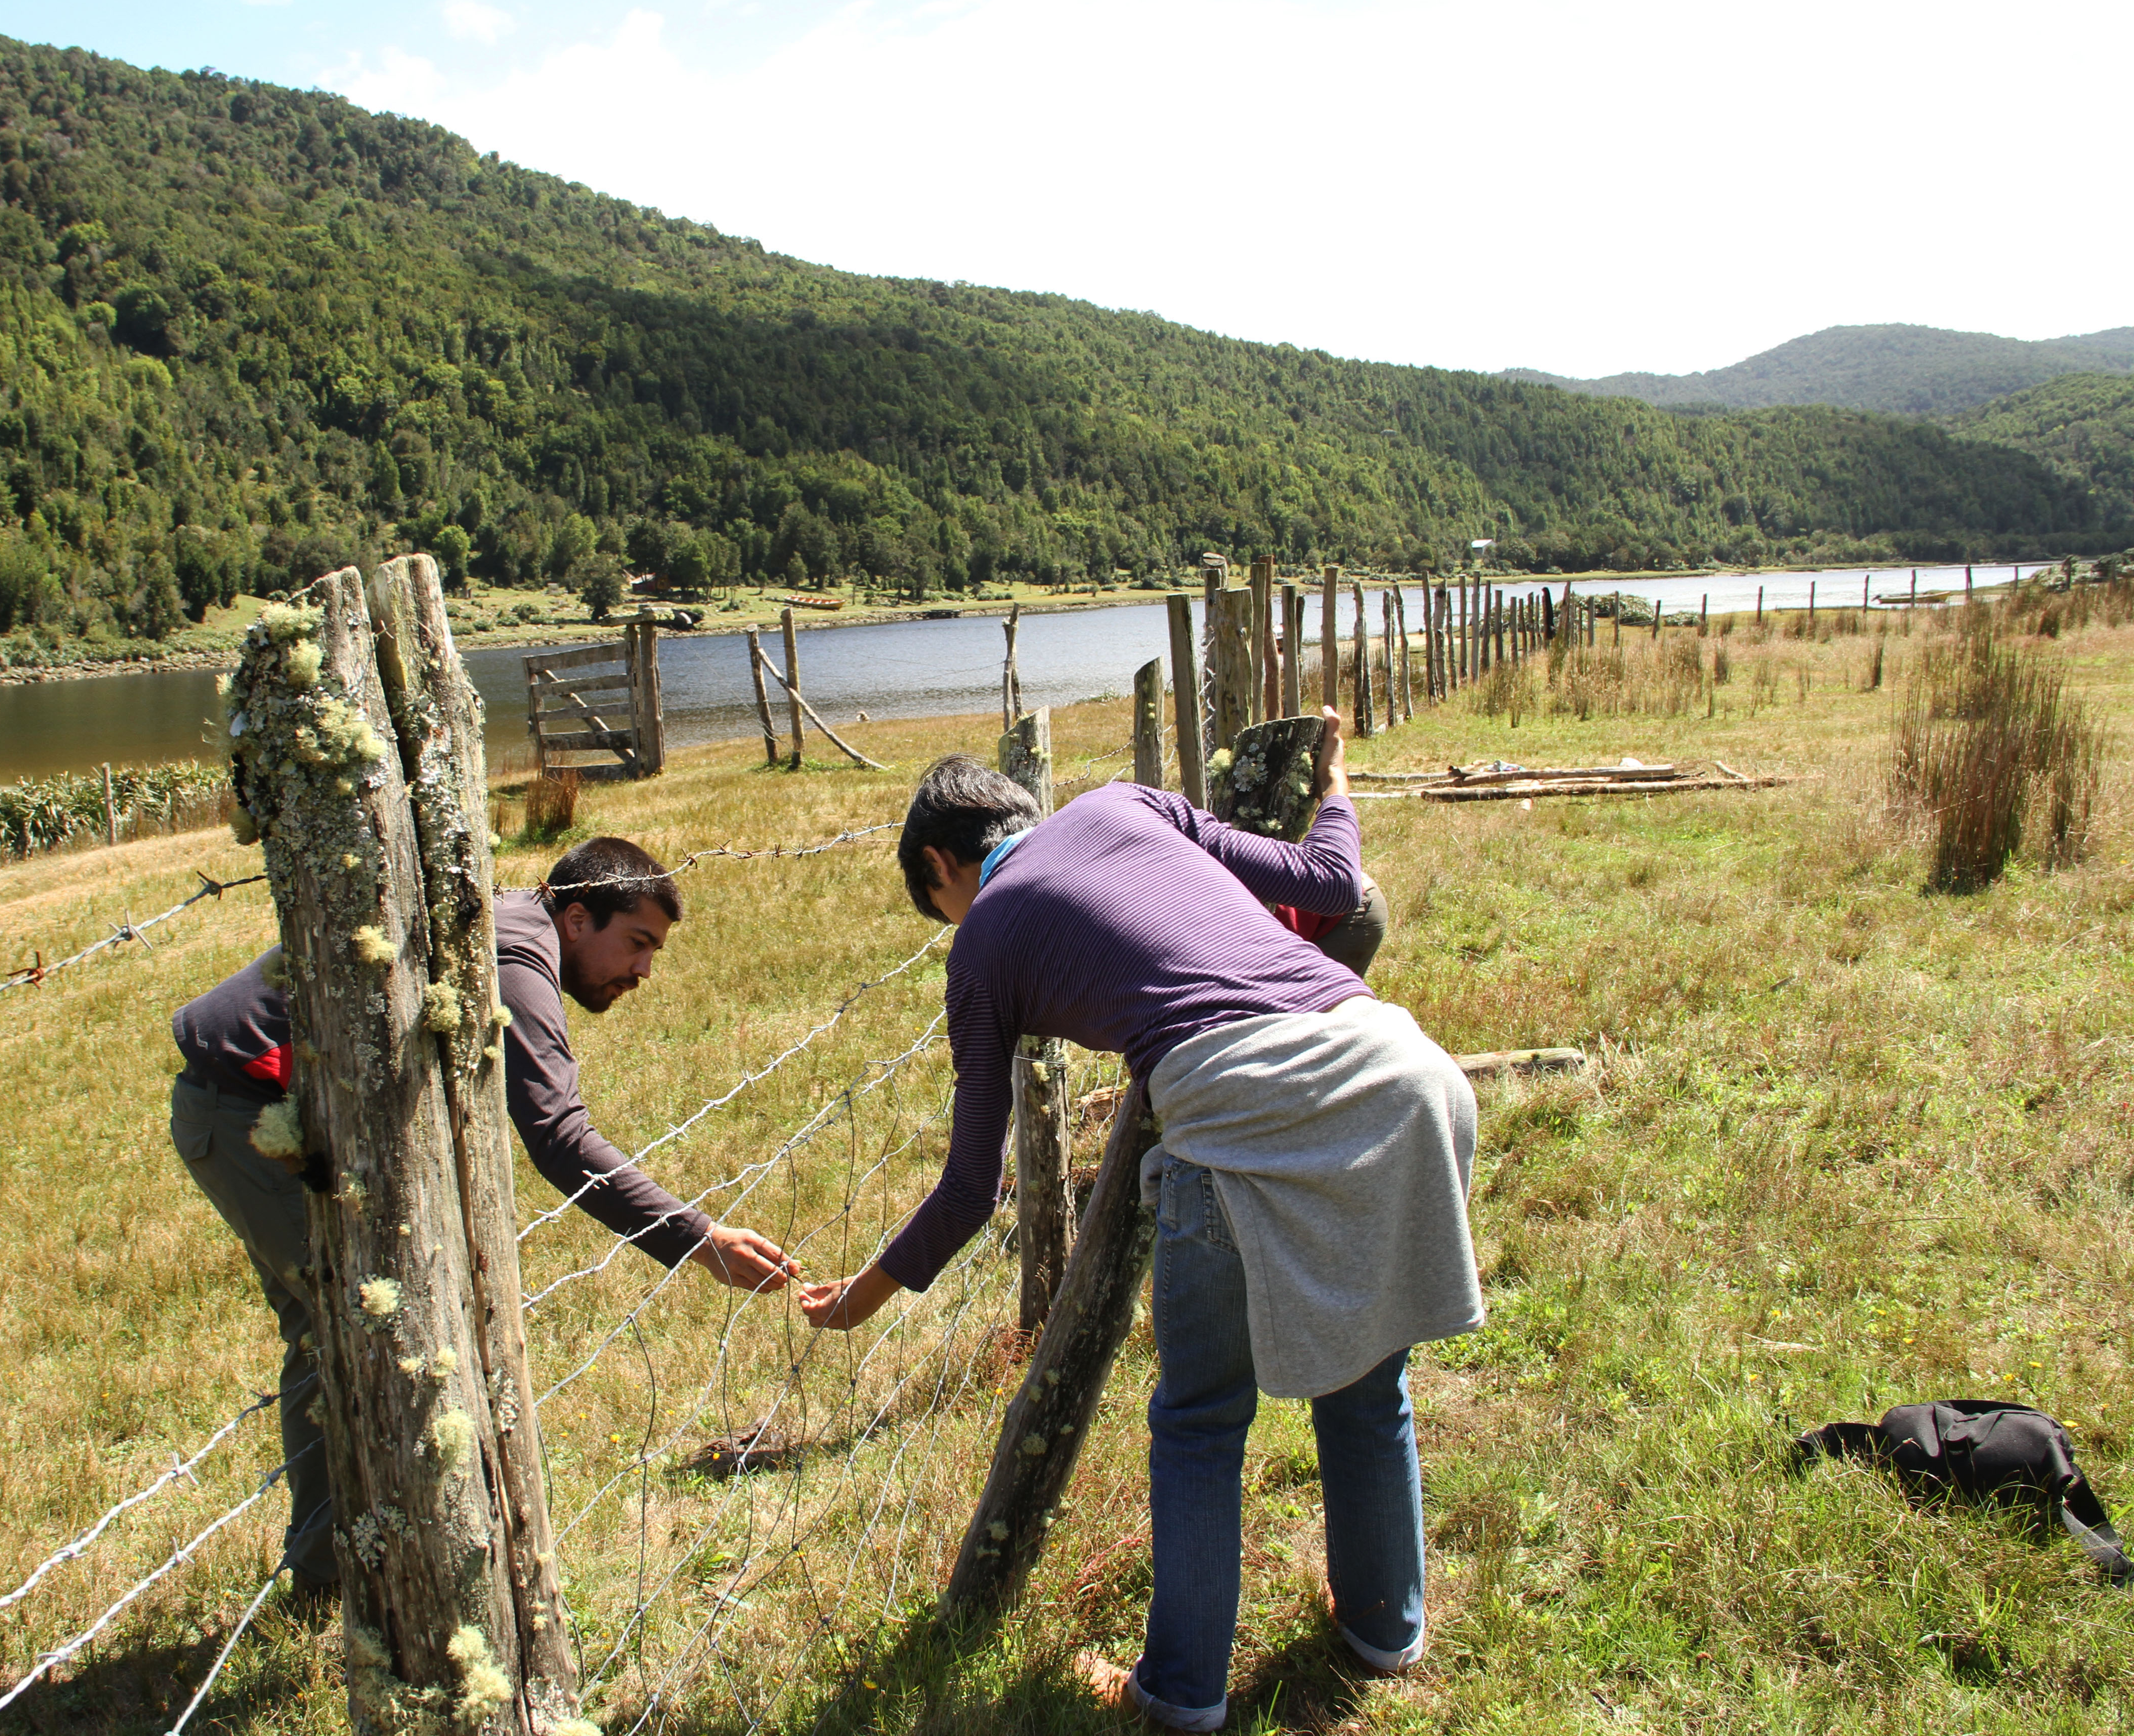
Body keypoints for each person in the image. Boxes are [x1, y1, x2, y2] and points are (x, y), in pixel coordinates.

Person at [798, 717, 1479, 1730]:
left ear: (944, 863)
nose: (954, 924)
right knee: (1369, 1380)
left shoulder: (982, 945)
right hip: (1407, 1074)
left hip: (1251, 1114)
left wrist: (864, 1297)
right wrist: (1335, 786)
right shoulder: (1127, 803)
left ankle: (1181, 1698)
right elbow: (1328, 884)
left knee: (1200, 1420)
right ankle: (1385, 1632)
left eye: (939, 905)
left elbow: (969, 1188)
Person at [169, 835, 798, 1605]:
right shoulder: (516, 959)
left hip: (287, 1107)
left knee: (337, 1326)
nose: (644, 972)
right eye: (637, 944)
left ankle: (334, 1567)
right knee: (365, 1327)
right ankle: (359, 1570)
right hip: (248, 1113)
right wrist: (696, 1237)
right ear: (575, 918)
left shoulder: (516, 931)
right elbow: (560, 1135)